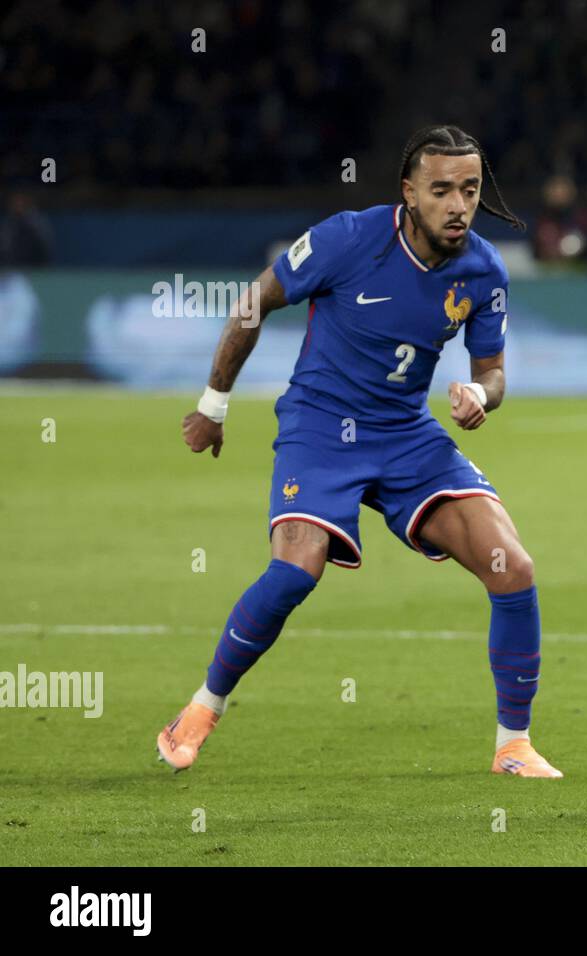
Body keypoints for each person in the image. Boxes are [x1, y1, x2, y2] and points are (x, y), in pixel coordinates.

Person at [158, 125, 562, 779]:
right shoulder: (350, 238)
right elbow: (255, 302)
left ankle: (512, 746)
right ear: (408, 193)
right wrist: (213, 404)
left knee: (512, 566)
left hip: (406, 434)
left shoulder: (484, 269)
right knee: (295, 570)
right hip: (321, 429)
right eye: (441, 191)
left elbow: (493, 370)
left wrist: (481, 398)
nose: (458, 205)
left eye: (469, 189)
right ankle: (202, 709)